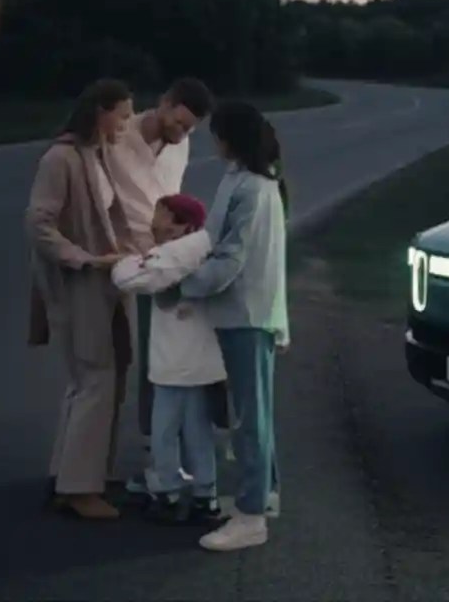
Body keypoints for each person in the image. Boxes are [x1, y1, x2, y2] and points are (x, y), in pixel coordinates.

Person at [175, 101, 289, 551]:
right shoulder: (244, 180)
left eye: (216, 133)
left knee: (248, 418)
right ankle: (264, 494)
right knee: (253, 412)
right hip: (243, 313)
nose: (212, 141)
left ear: (231, 138)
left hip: (246, 315)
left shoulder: (253, 189)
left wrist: (181, 284)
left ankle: (251, 516)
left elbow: (229, 259)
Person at [26, 78, 136, 520]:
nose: (126, 125)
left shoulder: (98, 154)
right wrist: (84, 259)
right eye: (123, 115)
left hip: (108, 281)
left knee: (101, 379)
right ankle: (78, 489)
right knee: (95, 380)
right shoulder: (60, 159)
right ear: (100, 112)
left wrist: (131, 254)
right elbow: (38, 224)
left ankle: (74, 474)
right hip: (81, 284)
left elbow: (112, 216)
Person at [104, 77, 214, 442]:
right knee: (111, 364)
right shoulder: (118, 136)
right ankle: (95, 462)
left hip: (163, 264)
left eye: (190, 128)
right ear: (164, 102)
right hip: (119, 260)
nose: (182, 133)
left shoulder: (180, 146)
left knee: (163, 361)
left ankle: (158, 451)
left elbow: (174, 198)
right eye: (178, 123)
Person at [111, 193, 225, 524]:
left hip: (173, 366)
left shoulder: (172, 257)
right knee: (198, 432)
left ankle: (169, 491)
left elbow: (130, 277)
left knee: (164, 432)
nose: (153, 218)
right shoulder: (204, 256)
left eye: (161, 213)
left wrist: (122, 261)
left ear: (181, 226)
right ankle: (206, 494)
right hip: (199, 364)